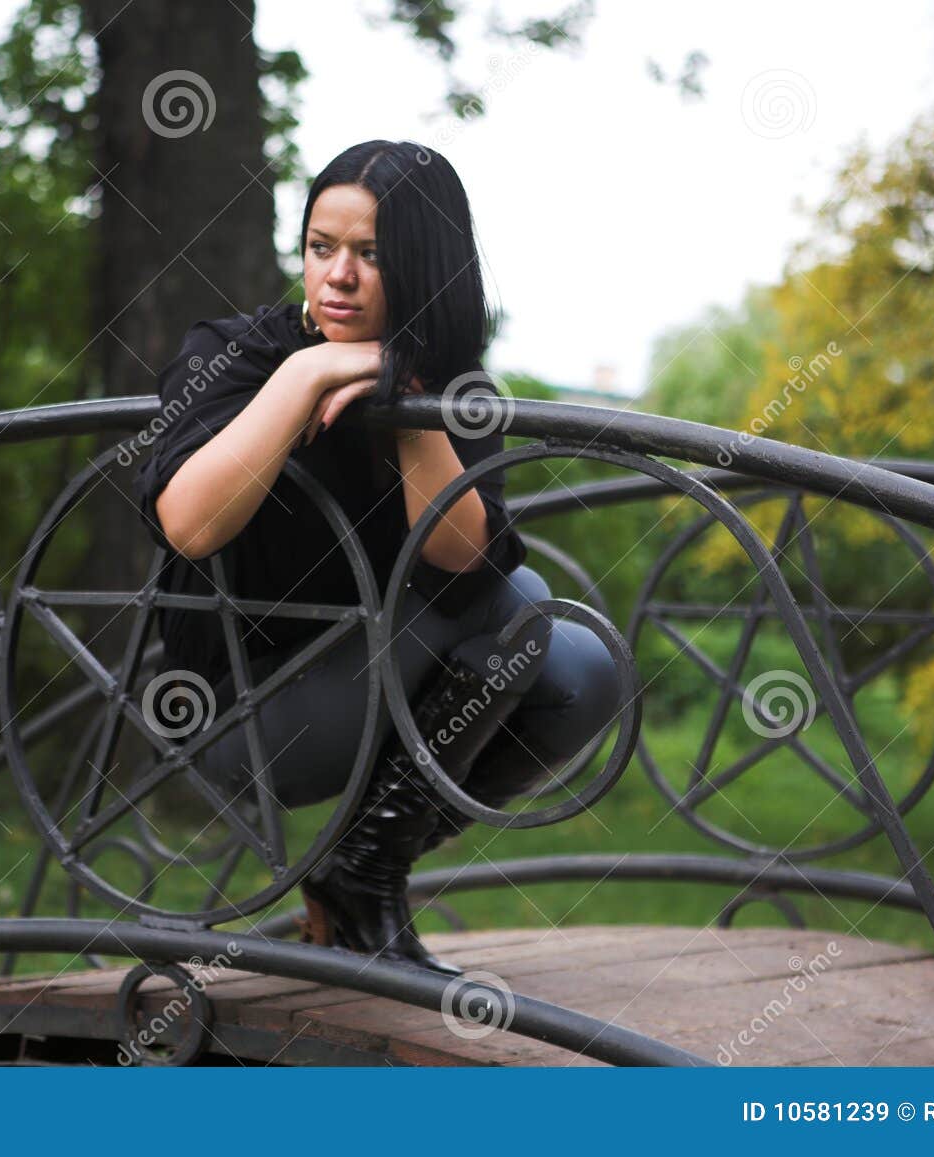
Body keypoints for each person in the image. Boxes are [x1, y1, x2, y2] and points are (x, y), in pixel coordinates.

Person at [132, 139, 622, 974]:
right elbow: (188, 522)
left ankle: (363, 865)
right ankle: (362, 878)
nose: (338, 277)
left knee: (586, 669)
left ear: (425, 264)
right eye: (322, 248)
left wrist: (410, 417)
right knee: (523, 605)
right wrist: (308, 372)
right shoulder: (236, 351)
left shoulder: (456, 389)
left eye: (370, 254)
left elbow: (464, 566)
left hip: (374, 688)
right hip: (239, 714)